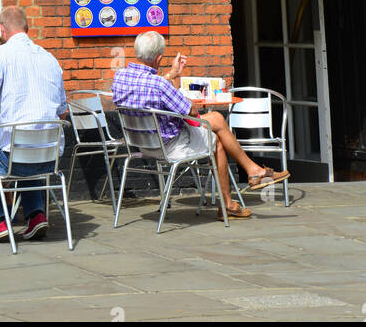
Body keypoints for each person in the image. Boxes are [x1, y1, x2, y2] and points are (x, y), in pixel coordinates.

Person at [111, 31, 289, 220]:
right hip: (170, 147)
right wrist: (181, 93)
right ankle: (233, 196)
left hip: (142, 146)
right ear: (159, 57)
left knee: (216, 121)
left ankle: (252, 173)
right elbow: (193, 112)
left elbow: (148, 90)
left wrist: (172, 75)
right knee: (217, 136)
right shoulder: (159, 85)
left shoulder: (120, 78)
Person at [0, 5, 68, 243]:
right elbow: (62, 113)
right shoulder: (50, 59)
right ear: (28, 28)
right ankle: (36, 215)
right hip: (50, 160)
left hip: (15, 161)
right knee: (30, 141)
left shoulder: (1, 55)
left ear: (3, 30)